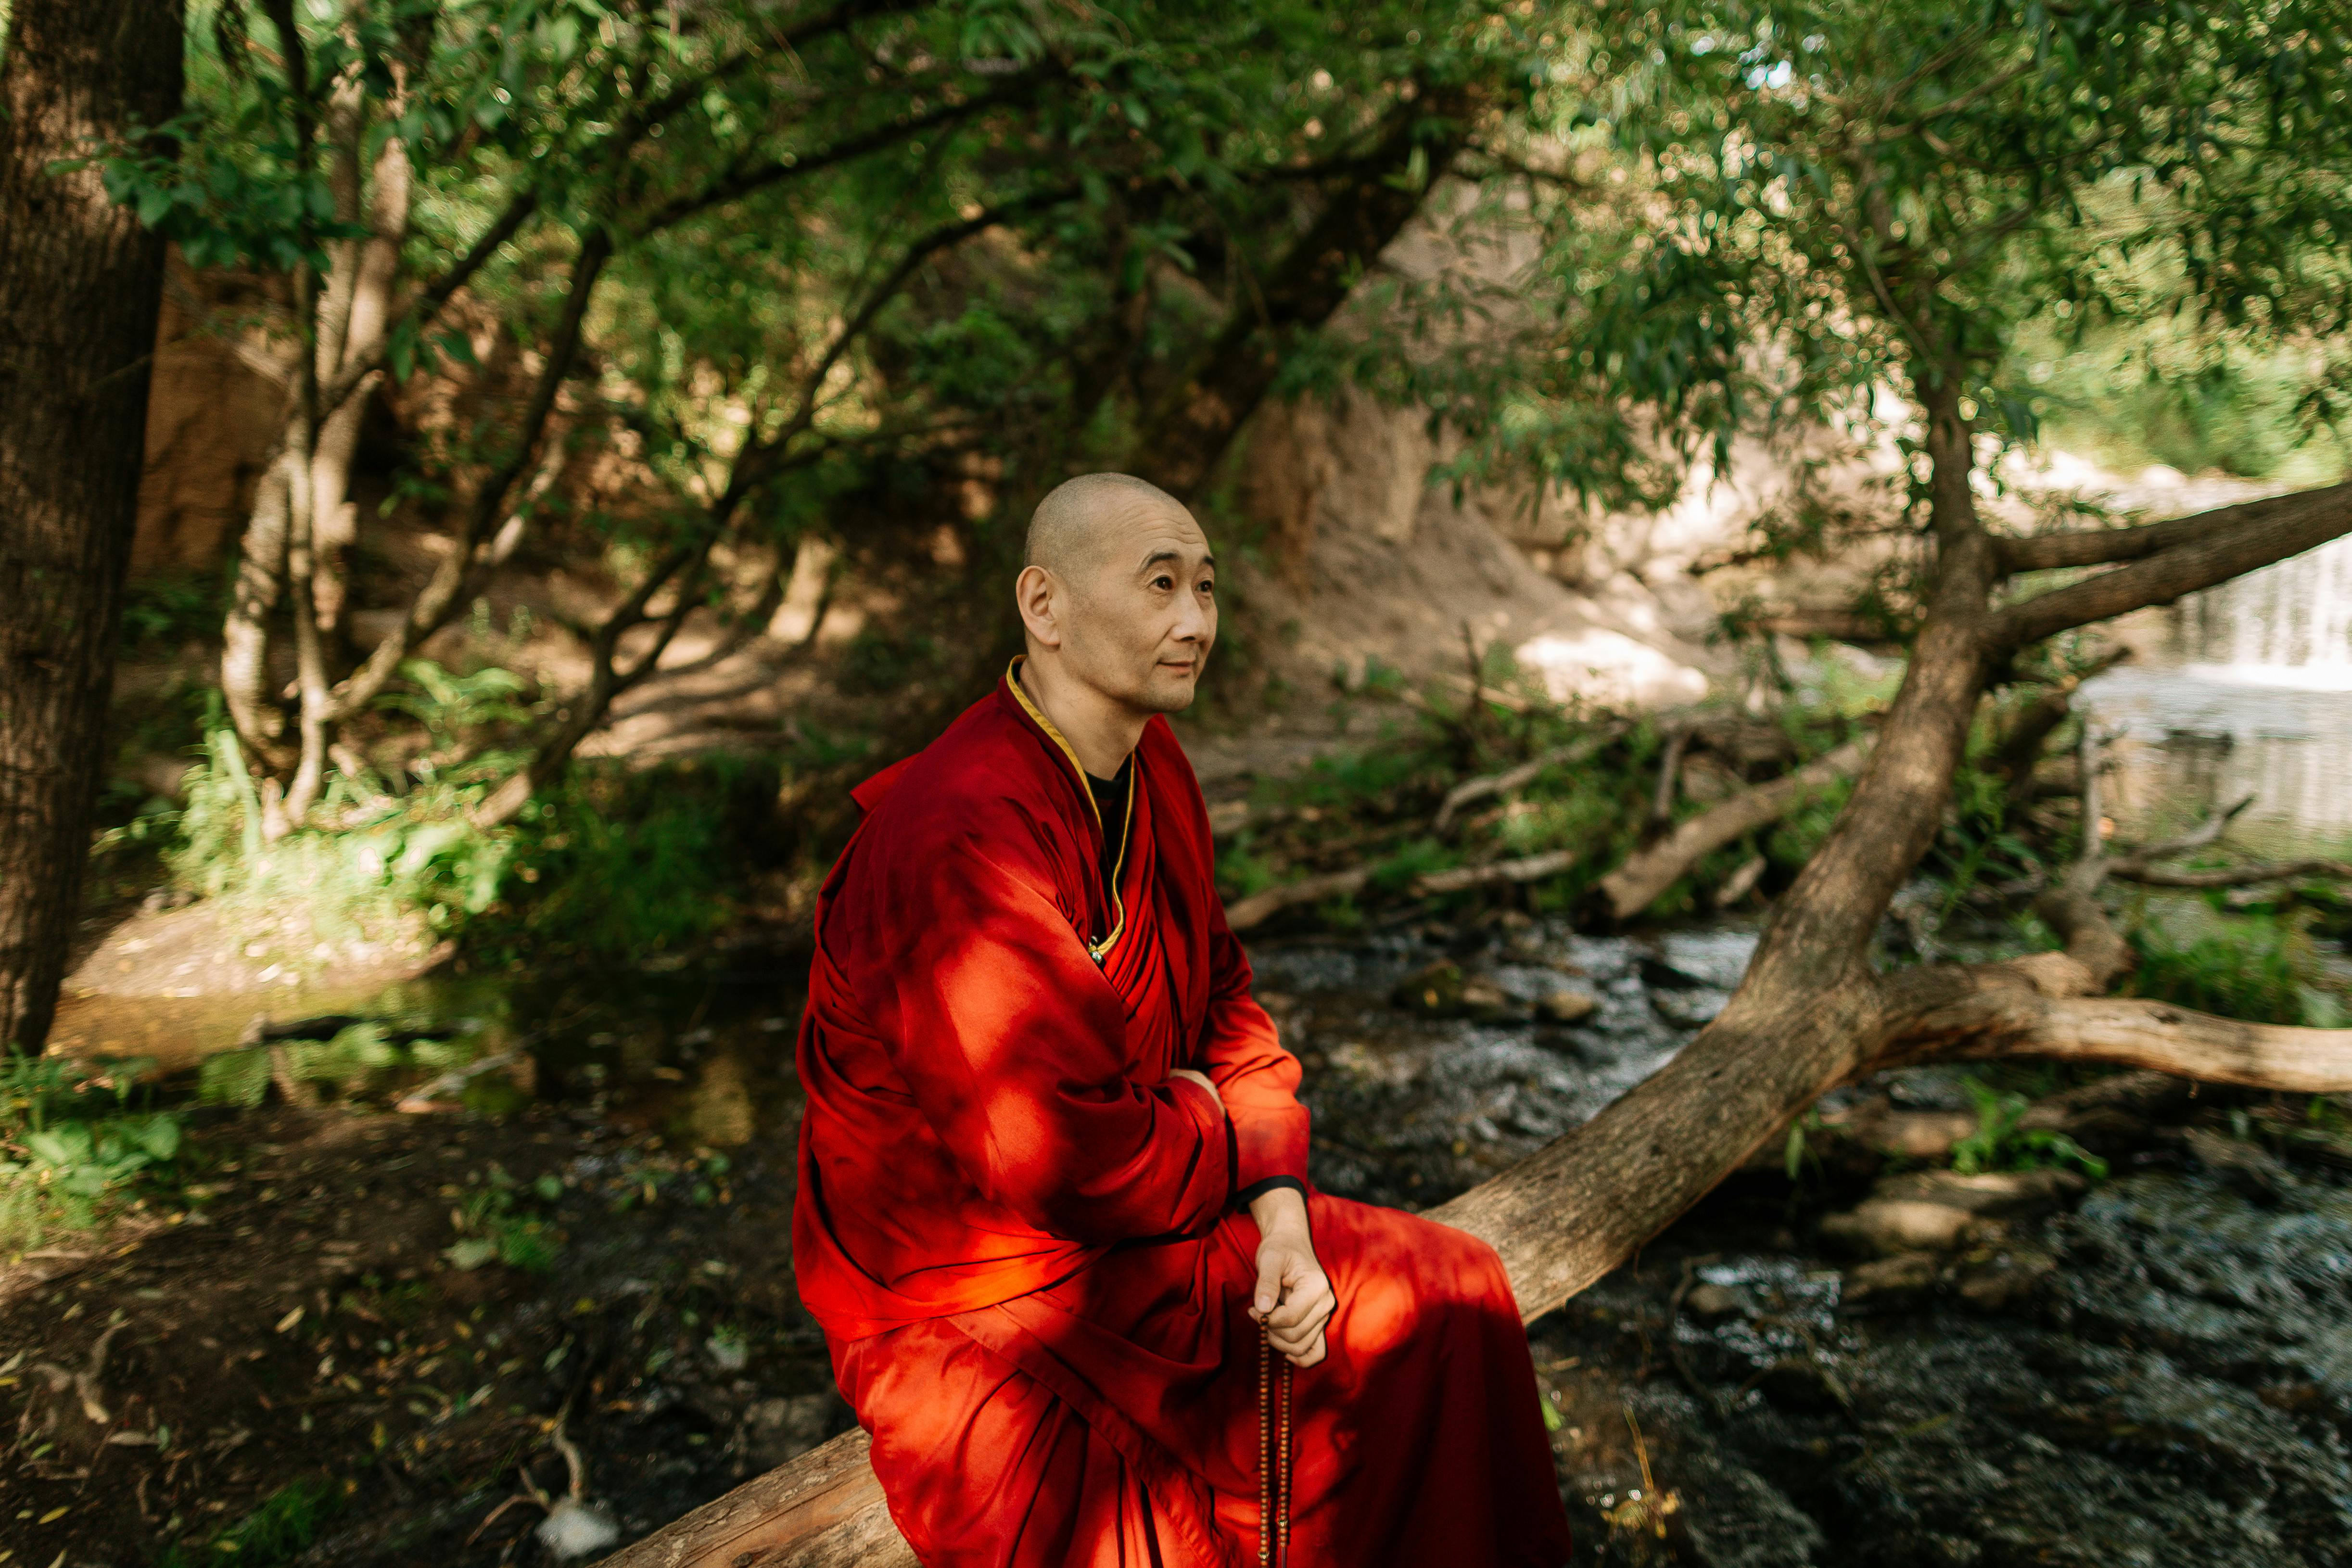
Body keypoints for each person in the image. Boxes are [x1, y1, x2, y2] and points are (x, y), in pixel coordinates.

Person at [792, 472, 1573, 1567]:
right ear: (1045, 606)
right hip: (989, 1287)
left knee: (1456, 1292)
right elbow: (1061, 1162)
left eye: (1207, 587)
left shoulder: (1152, 761)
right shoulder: (960, 834)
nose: (1196, 622)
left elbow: (1224, 1000)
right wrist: (1211, 1129)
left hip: (1153, 1214)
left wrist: (1284, 1218)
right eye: (1160, 584)